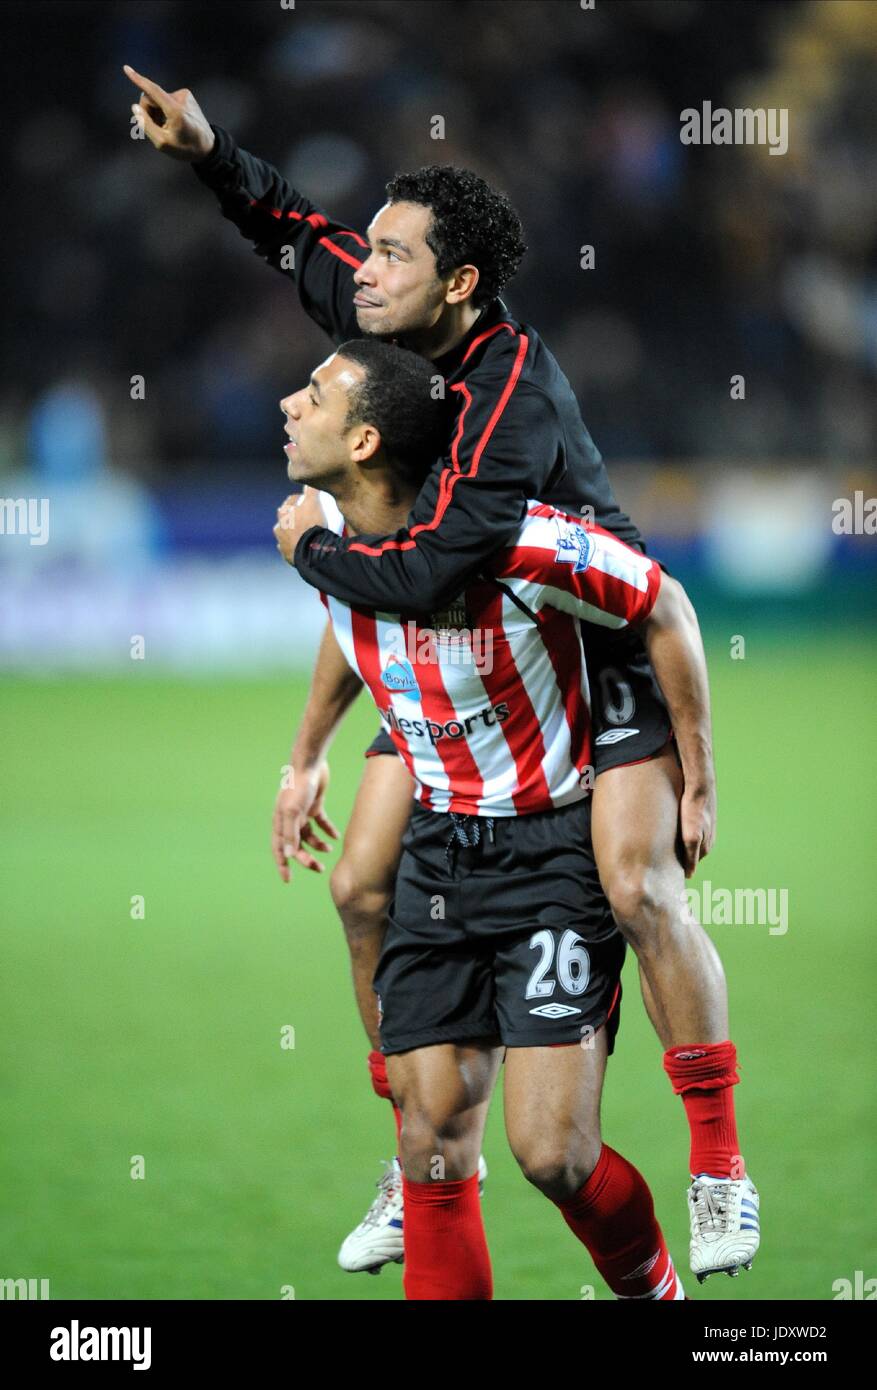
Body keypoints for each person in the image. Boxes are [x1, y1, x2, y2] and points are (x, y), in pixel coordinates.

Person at [124, 67, 757, 1284]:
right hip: (454, 637)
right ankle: (409, 1137)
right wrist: (208, 152)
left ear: (458, 284)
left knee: (634, 882)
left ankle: (718, 1162)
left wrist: (315, 542)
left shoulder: (502, 399)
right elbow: (298, 241)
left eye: (393, 257)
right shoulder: (391, 362)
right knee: (358, 882)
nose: (362, 274)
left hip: (582, 637)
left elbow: (428, 571)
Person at [273, 334, 716, 1300]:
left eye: (314, 395)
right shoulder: (318, 534)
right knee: (430, 1141)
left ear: (365, 443)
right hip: (438, 855)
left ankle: (655, 1292)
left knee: (551, 1154)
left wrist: (694, 773)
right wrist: (303, 758)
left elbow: (659, 601)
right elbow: (350, 623)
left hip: (551, 850)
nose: (287, 405)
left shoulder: (510, 539)